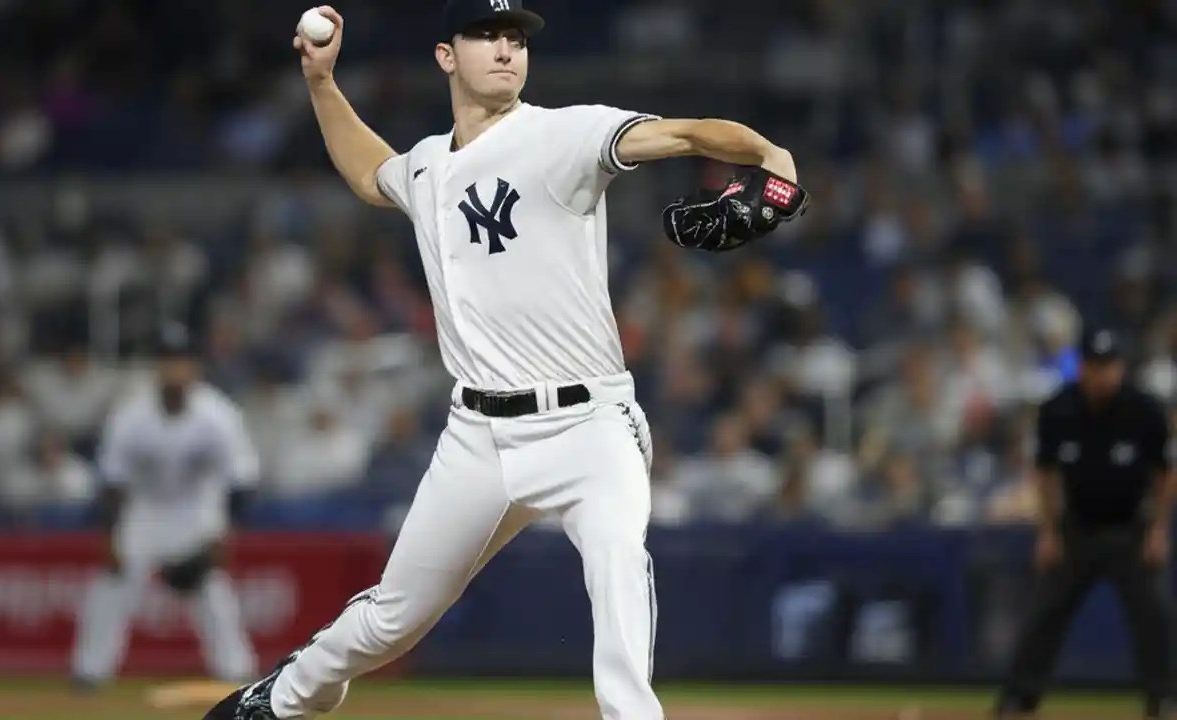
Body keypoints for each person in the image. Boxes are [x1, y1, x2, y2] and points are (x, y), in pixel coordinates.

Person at [206, 1, 804, 718]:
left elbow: (683, 133)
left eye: (516, 37)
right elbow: (371, 175)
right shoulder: (427, 167)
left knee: (617, 565)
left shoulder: (564, 134)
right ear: (445, 56)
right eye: (486, 35)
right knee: (396, 616)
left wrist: (771, 157)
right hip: (477, 435)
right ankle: (285, 698)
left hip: (589, 423)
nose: (505, 48)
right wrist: (323, 84)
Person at [994, 328, 1175, 720]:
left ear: (1121, 368)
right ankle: (1019, 699)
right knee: (1045, 614)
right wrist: (1047, 531)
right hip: (1076, 529)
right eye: (1094, 366)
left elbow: (1166, 474)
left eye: (1108, 366)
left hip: (1131, 529)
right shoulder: (1059, 409)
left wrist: (1160, 529)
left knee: (1153, 615)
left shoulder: (1143, 410)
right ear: (1081, 368)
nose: (1101, 375)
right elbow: (1044, 474)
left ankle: (1161, 700)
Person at [72, 323, 258, 689]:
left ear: (195, 367)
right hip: (144, 509)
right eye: (168, 361)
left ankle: (237, 672)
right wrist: (110, 535)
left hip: (196, 508)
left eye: (182, 361)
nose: (175, 369)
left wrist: (223, 537)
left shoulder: (219, 415)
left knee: (211, 589)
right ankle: (89, 672)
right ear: (156, 367)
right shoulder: (131, 415)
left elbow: (241, 483)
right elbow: (112, 483)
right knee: (112, 584)